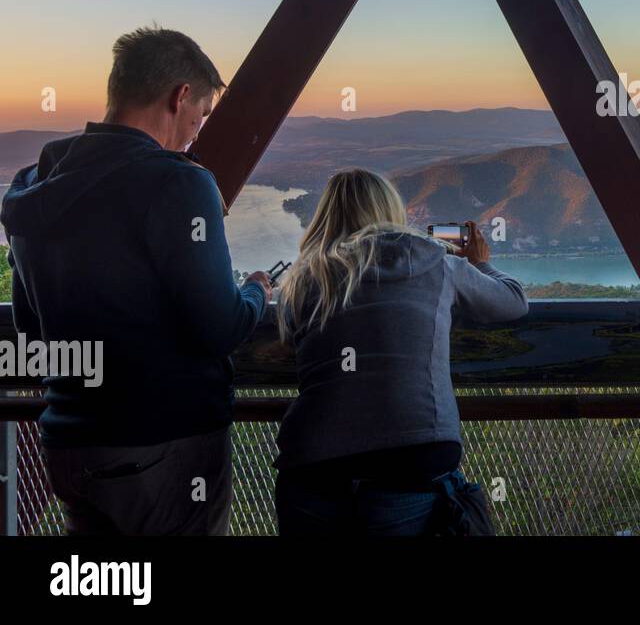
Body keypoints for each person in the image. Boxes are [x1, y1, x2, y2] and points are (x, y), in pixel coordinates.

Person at [0, 26, 271, 535]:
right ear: (180, 95)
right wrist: (256, 291)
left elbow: (32, 333)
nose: (197, 131)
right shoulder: (179, 182)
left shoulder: (34, 187)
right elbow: (219, 326)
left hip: (71, 449)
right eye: (203, 115)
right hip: (163, 446)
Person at [272, 168, 528, 535]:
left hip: (313, 465)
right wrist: (479, 263)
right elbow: (514, 302)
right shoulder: (437, 262)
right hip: (410, 460)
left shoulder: (304, 279)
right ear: (391, 212)